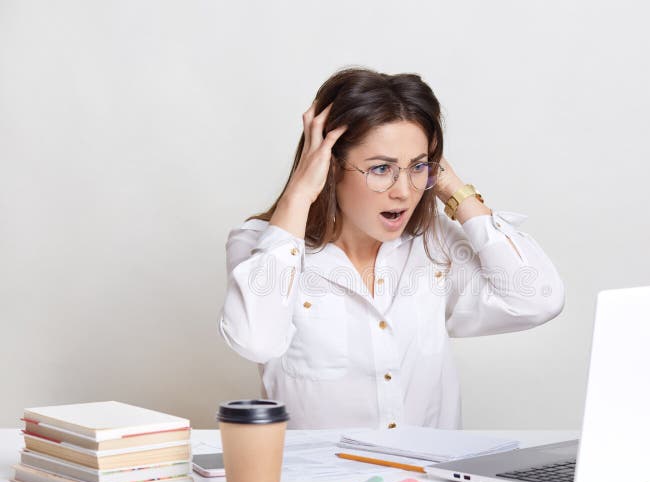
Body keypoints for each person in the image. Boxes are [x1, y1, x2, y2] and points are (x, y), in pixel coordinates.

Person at [218, 67, 565, 429]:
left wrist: (455, 190)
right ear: (330, 166)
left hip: (428, 481)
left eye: (418, 167)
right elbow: (256, 341)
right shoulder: (263, 245)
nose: (404, 191)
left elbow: (538, 299)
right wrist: (301, 192)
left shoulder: (433, 242)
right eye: (381, 168)